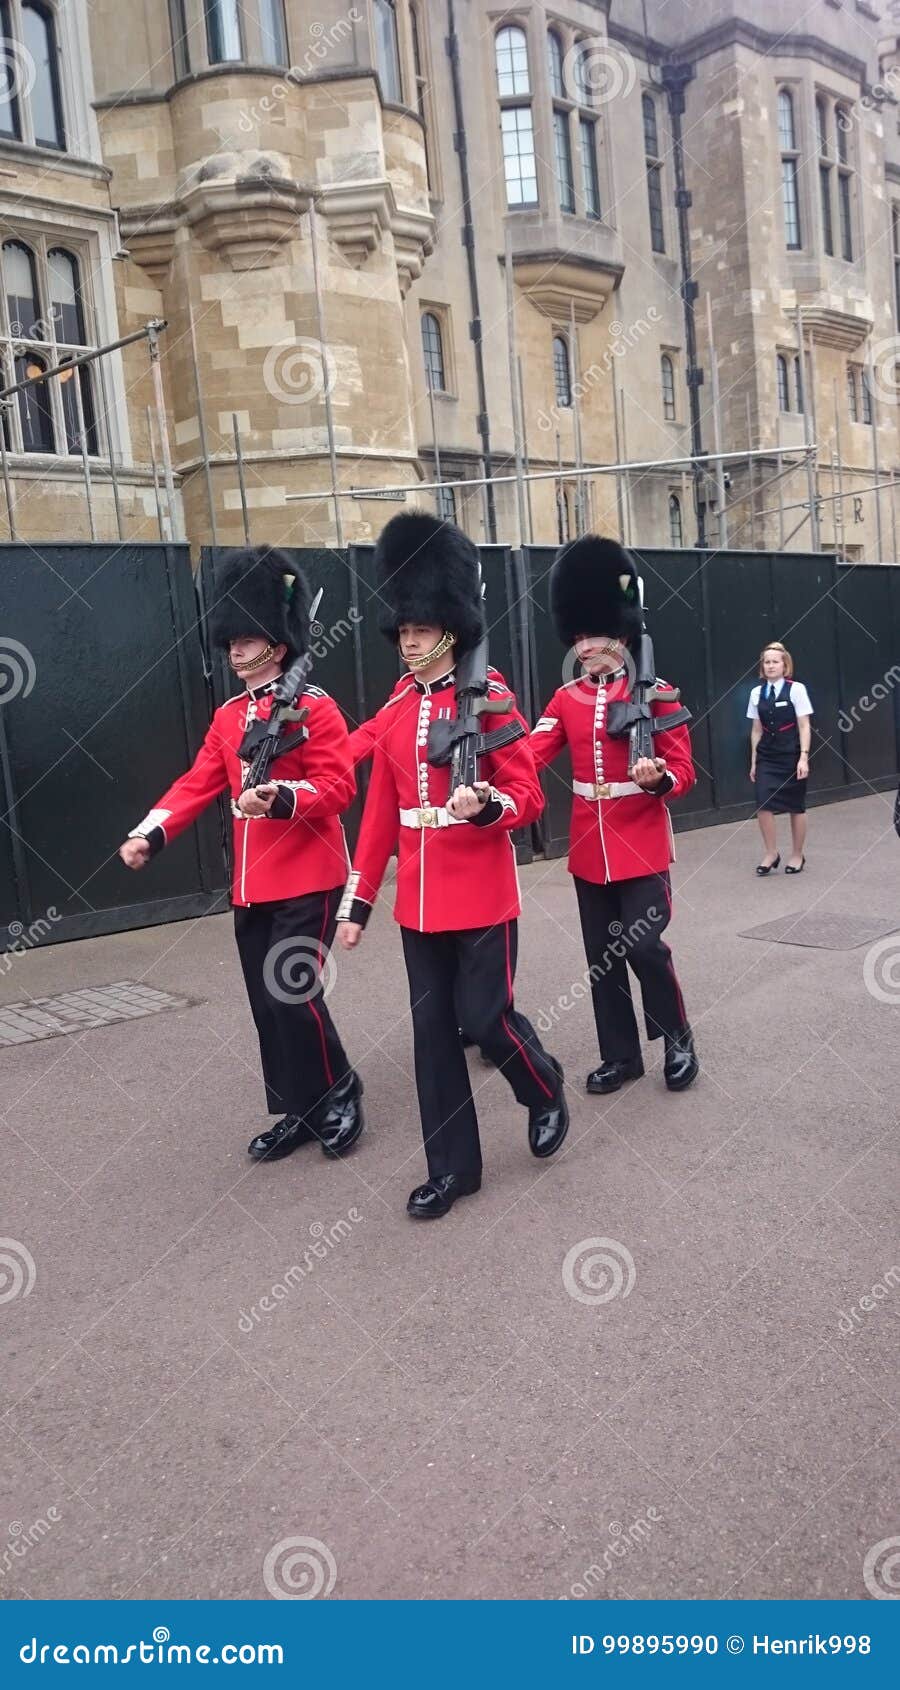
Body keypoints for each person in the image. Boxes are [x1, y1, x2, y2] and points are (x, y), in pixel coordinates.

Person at [336, 510, 568, 1220]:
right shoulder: (397, 709)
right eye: (403, 629)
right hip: (419, 901)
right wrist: (358, 903)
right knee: (433, 1038)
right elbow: (380, 816)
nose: (409, 640)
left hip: (483, 891)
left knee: (487, 1020)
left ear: (450, 628)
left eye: (421, 628)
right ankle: (452, 1170)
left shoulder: (490, 697)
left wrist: (487, 805)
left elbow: (529, 796)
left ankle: (543, 1086)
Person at [119, 547, 364, 1164]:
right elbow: (196, 783)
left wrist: (282, 796)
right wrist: (151, 833)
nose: (234, 650)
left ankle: (339, 1090)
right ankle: (300, 1107)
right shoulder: (229, 717)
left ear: (277, 646)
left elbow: (339, 789)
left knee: (292, 993)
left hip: (311, 876)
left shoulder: (316, 707)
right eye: (230, 640)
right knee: (265, 1000)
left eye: (246, 639)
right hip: (254, 884)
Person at [530, 534, 698, 1096]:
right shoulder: (566, 698)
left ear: (621, 633)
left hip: (641, 843)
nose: (584, 647)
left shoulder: (658, 694)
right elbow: (529, 753)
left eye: (594, 635)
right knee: (602, 958)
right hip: (589, 847)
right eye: (577, 637)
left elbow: (684, 771)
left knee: (644, 947)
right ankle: (621, 1056)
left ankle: (676, 1038)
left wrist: (660, 780)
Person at [747, 642, 813, 875]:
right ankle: (771, 853)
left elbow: (804, 726)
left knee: (796, 806)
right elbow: (756, 730)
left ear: (785, 666)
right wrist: (754, 761)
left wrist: (803, 757)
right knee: (763, 803)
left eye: (775, 662)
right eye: (767, 662)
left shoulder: (796, 689)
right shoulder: (756, 693)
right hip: (767, 755)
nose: (771, 666)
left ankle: (797, 854)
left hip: (791, 754)